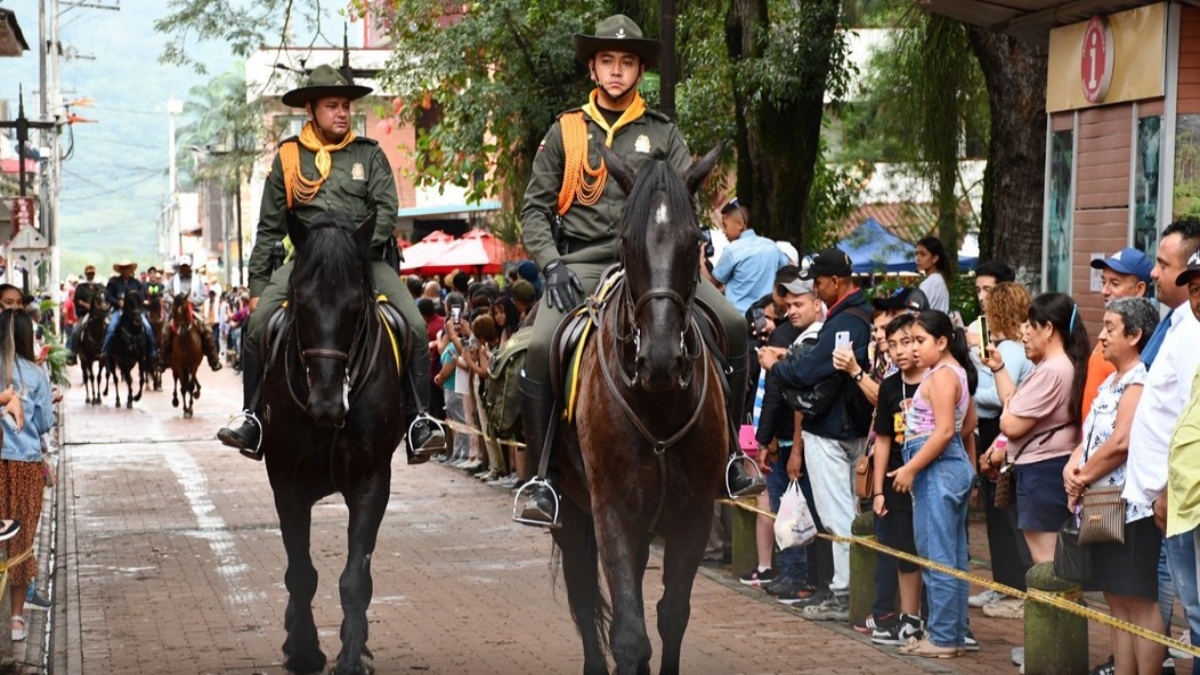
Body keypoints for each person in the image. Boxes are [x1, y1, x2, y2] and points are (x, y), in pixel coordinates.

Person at [515, 14, 757, 527]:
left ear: (639, 70)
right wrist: (551, 263)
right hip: (582, 260)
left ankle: (733, 457)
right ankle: (542, 479)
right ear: (593, 68)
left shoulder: (663, 132)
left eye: (627, 62)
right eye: (608, 61)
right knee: (539, 348)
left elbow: (686, 199)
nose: (617, 71)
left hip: (656, 263)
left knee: (734, 325)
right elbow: (534, 209)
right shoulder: (566, 131)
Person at [216, 64, 444, 462]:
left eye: (346, 106)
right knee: (256, 327)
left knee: (415, 326)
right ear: (311, 110)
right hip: (305, 264)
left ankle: (418, 419)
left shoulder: (369, 155)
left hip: (365, 261)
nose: (342, 113)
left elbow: (386, 212)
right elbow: (268, 229)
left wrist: (349, 249)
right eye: (332, 106)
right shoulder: (288, 159)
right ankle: (252, 418)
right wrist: (256, 289)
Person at [759, 247, 873, 622]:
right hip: (848, 426)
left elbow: (809, 371)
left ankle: (844, 592)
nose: (818, 290)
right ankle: (846, 589)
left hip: (832, 428)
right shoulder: (856, 315)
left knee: (837, 514)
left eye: (820, 283)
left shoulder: (847, 320)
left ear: (836, 281)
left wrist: (780, 364)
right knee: (846, 512)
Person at [1063, 297, 1163, 675]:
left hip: (1131, 508)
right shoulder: (1110, 380)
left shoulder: (1139, 379)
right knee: (1116, 601)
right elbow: (1088, 437)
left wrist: (1082, 476)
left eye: (1110, 327)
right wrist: (1073, 469)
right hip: (1103, 506)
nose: (1101, 336)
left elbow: (1122, 442)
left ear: (1135, 335)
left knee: (1138, 600)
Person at [888, 310, 978, 658]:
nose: (914, 349)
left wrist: (911, 467)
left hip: (936, 466)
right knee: (951, 556)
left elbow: (943, 431)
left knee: (936, 555)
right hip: (948, 463)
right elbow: (966, 422)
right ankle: (950, 635)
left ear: (941, 342)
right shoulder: (955, 374)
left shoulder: (941, 376)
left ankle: (941, 637)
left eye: (919, 341)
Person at [987, 292, 1090, 565]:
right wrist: (998, 368)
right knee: (1054, 559)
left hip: (1041, 473)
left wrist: (1007, 413)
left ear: (1048, 329)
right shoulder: (1057, 365)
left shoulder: (1052, 370)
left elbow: (1011, 424)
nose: (1025, 334)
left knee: (1046, 562)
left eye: (1031, 326)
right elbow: (1015, 403)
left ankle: (1053, 609)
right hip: (1047, 468)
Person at [752, 277, 821, 601]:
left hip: (798, 441)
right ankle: (791, 572)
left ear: (816, 303)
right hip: (781, 440)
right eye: (789, 305)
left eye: (799, 304)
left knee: (799, 510)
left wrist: (776, 442)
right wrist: (766, 441)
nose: (792, 311)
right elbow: (773, 396)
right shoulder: (789, 338)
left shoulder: (815, 339)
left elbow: (793, 399)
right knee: (784, 508)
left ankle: (800, 577)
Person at [972, 281, 1036, 618]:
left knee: (1006, 511)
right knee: (996, 515)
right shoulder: (1002, 346)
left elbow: (1000, 395)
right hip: (992, 427)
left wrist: (970, 394)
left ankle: (1015, 587)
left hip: (1000, 427)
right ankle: (1004, 583)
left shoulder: (1010, 349)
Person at [868, 314, 926, 647]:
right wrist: (878, 491)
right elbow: (883, 440)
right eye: (892, 345)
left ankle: (950, 621)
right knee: (904, 549)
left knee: (936, 551)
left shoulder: (939, 378)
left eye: (906, 342)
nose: (899, 351)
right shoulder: (890, 386)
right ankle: (909, 617)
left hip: (931, 480)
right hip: (895, 480)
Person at [0, 310, 55, 642]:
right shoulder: (36, 374)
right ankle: (17, 620)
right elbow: (46, 422)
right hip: (25, 466)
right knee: (20, 542)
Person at [1082, 248, 1153, 416]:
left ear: (1140, 289)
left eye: (1115, 283)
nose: (1104, 291)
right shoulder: (1106, 332)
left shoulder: (1144, 345)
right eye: (1103, 282)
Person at [700, 198, 789, 313]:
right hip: (767, 319)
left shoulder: (732, 251)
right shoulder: (772, 246)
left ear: (740, 225)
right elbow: (788, 270)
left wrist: (700, 260)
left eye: (725, 225)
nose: (724, 231)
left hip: (738, 322)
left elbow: (711, 287)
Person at [161, 254, 222, 372]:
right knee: (165, 331)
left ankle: (213, 359)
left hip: (194, 310)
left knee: (207, 329)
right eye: (182, 266)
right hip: (178, 312)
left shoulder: (197, 279)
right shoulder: (173, 279)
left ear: (190, 267)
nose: (184, 269)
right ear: (179, 267)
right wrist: (174, 301)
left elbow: (204, 294)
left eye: (186, 266)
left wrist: (192, 301)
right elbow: (165, 293)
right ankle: (163, 359)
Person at [101, 260, 157, 363]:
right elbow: (108, 296)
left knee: (148, 327)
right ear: (120, 270)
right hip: (119, 311)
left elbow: (141, 295)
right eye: (123, 268)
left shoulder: (136, 283)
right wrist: (118, 302)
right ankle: (105, 351)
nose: (126, 270)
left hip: (135, 312)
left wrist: (141, 302)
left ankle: (153, 351)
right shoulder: (114, 282)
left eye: (127, 268)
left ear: (131, 270)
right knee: (111, 327)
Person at [915, 237, 952, 314]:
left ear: (935, 258)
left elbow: (917, 313)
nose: (917, 258)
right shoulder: (939, 280)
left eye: (923, 254)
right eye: (917, 254)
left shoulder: (930, 283)